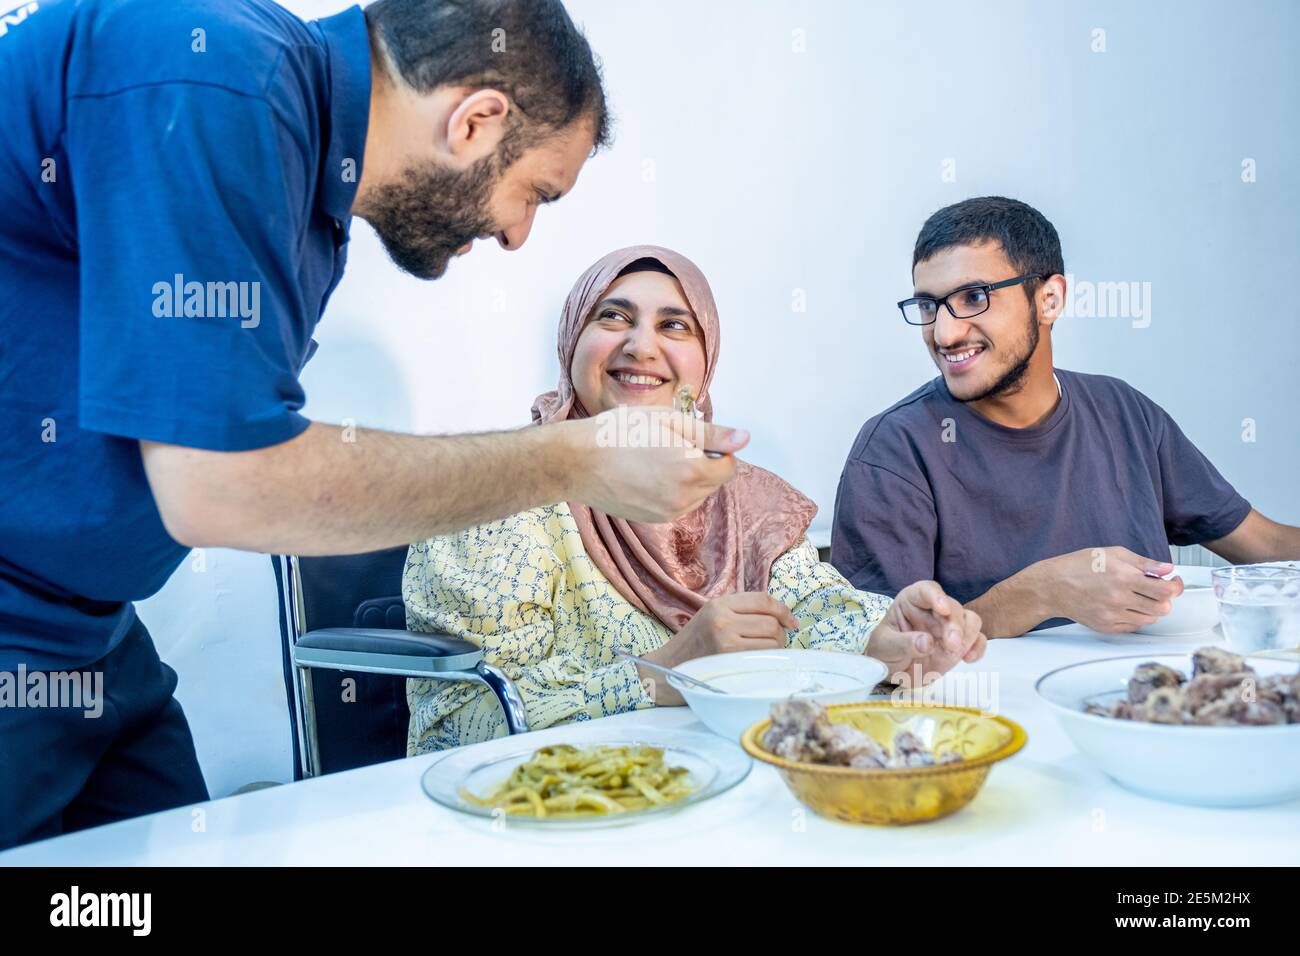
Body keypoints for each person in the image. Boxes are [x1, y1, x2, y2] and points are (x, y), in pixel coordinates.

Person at [0, 0, 747, 849]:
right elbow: (222, 483)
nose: (516, 234)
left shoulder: (308, 202)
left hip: (93, 635)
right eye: (534, 192)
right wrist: (575, 460)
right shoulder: (215, 76)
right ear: (475, 122)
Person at [404, 246, 986, 752]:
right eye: (613, 317)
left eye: (676, 326)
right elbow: (460, 725)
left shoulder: (743, 499)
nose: (641, 345)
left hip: (727, 799)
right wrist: (670, 668)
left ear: (704, 365)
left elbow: (814, 613)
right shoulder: (499, 499)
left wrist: (881, 648)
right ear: (570, 343)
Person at [831, 196, 1300, 638]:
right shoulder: (893, 451)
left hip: (1142, 706)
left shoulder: (1123, 412)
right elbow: (882, 650)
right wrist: (1040, 592)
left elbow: (1264, 545)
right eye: (929, 306)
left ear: (1050, 299)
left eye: (974, 297)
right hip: (989, 719)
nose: (945, 332)